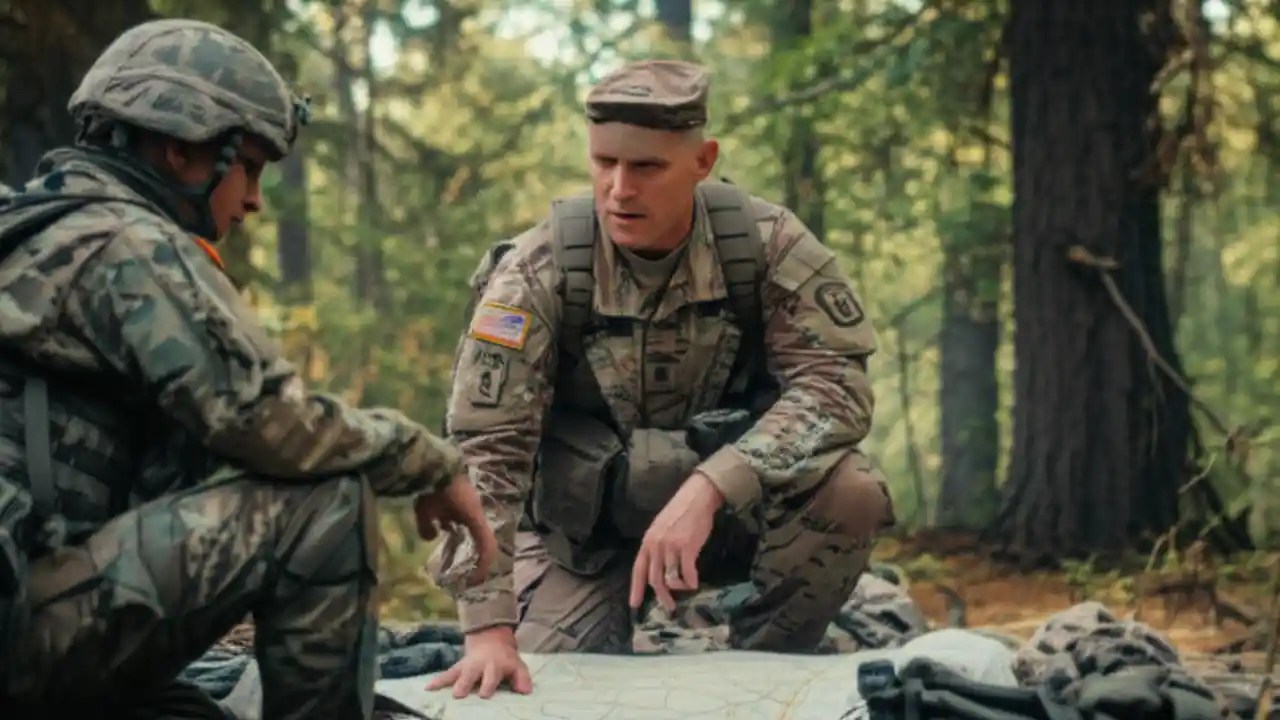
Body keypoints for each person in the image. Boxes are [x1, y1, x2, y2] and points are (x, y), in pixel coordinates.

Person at [0, 18, 496, 720]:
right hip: (26, 641)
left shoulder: (30, 226)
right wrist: (428, 460)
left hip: (30, 610)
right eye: (251, 167)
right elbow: (270, 423)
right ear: (182, 149)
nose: (255, 201)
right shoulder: (124, 242)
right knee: (320, 503)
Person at [428, 58, 896, 700]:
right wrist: (487, 629)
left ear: (703, 162)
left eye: (647, 167)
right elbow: (486, 451)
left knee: (854, 491)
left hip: (732, 523)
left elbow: (837, 388)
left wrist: (712, 484)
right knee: (548, 689)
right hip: (583, 539)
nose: (619, 188)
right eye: (603, 164)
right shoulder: (538, 272)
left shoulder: (766, 246)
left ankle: (764, 665)